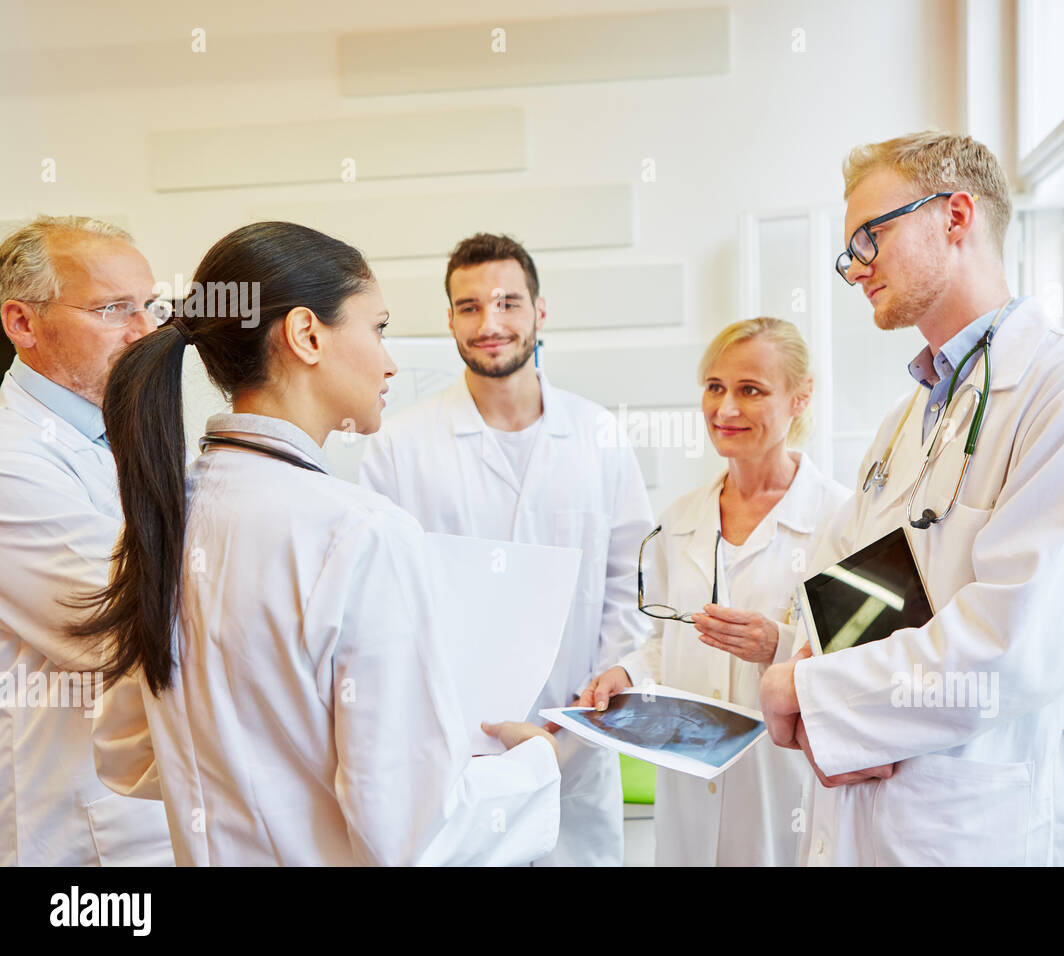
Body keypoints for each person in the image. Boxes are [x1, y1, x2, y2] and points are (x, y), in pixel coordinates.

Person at [75, 221, 562, 866]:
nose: (390, 361)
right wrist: (535, 766)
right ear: (307, 334)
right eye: (378, 328)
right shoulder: (361, 534)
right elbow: (413, 840)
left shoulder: (163, 517)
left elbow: (127, 749)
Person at [759, 132, 1064, 866]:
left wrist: (819, 697)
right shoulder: (908, 419)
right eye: (849, 252)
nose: (856, 269)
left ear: (956, 216)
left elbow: (1016, 643)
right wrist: (817, 682)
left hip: (990, 822)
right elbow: (840, 581)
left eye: (868, 237)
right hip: (875, 804)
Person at [360, 233, 653, 867]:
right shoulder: (399, 446)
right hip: (453, 757)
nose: (490, 323)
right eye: (469, 307)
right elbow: (381, 604)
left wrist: (588, 712)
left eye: (508, 303)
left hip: (576, 749)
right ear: (449, 320)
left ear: (540, 312)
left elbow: (630, 588)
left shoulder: (599, 435)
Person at [582, 317, 850, 866]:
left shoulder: (840, 519)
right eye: (715, 387)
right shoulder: (680, 519)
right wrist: (628, 673)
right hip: (688, 798)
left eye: (751, 390)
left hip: (785, 795)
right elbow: (665, 639)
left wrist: (776, 644)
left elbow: (862, 660)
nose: (725, 410)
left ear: (801, 397)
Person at [0, 215, 172, 866]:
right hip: (79, 825)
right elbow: (124, 625)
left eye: (148, 308)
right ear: (23, 324)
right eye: (112, 310)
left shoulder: (118, 430)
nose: (145, 333)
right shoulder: (11, 460)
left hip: (143, 807)